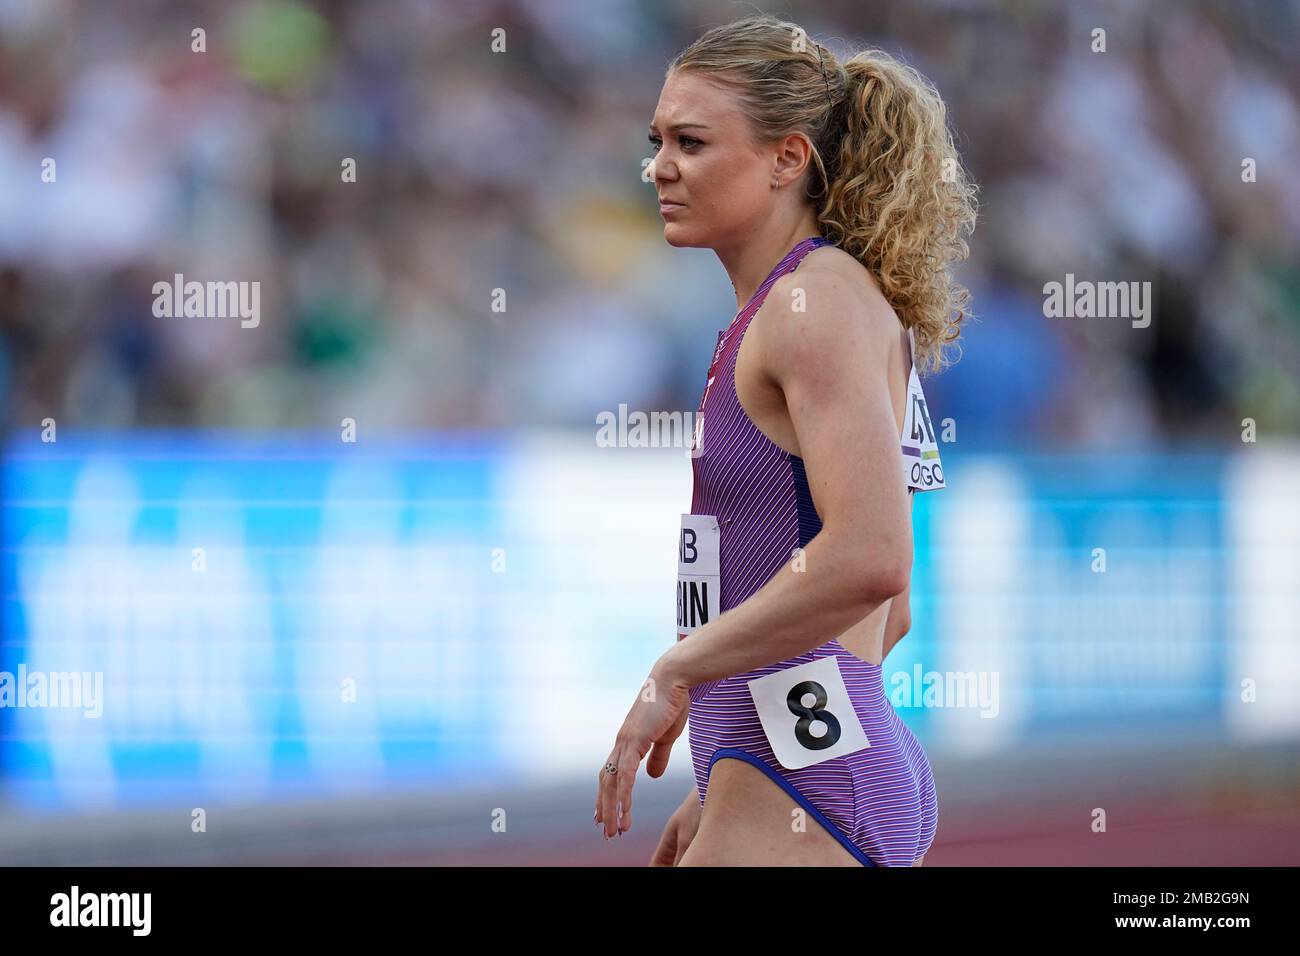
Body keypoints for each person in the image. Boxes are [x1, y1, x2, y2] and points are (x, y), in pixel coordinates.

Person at [595, 14, 976, 866]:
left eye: (692, 142)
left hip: (812, 781)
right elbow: (890, 614)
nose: (660, 166)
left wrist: (680, 670)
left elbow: (875, 559)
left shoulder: (816, 306)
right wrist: (738, 772)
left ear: (787, 159)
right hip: (800, 767)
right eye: (656, 140)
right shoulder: (801, 303)